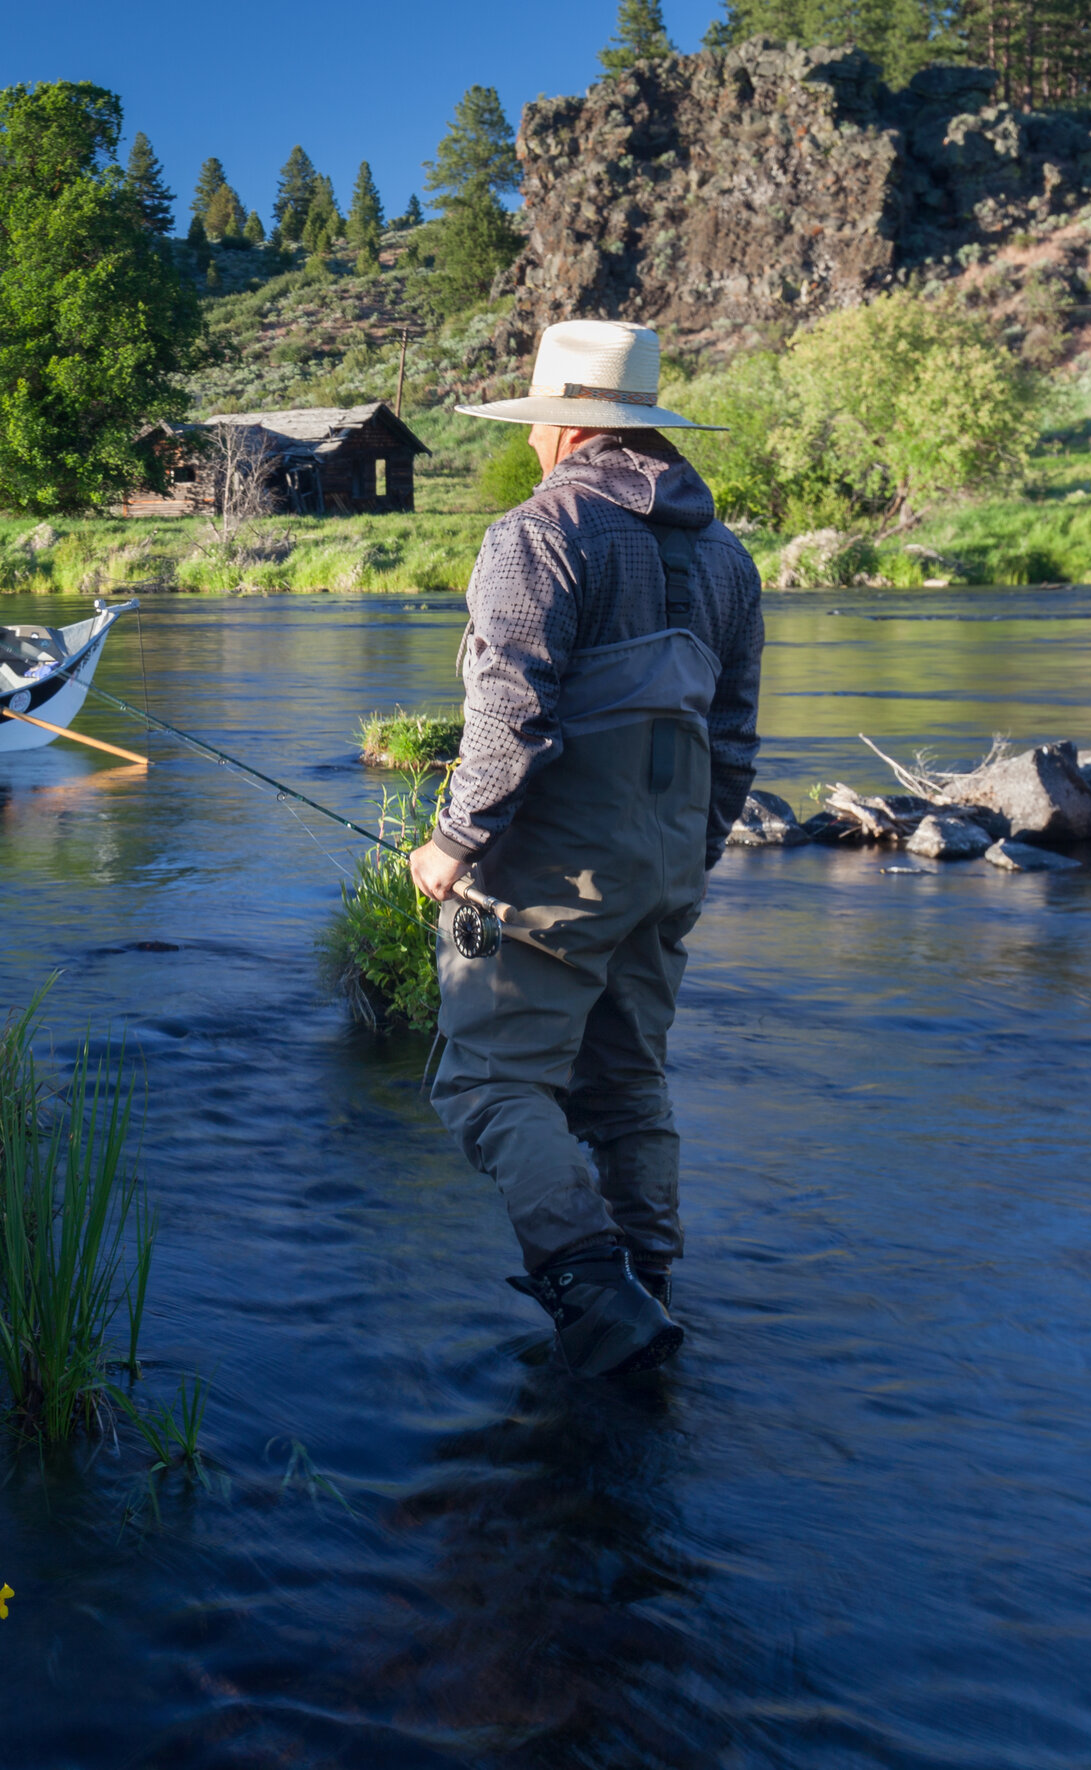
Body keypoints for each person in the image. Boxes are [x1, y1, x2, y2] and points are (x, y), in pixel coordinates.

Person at [409, 319, 763, 1378]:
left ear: (562, 425)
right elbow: (736, 739)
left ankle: (597, 1300)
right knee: (625, 1083)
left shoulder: (535, 533)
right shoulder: (726, 555)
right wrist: (688, 852)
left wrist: (452, 844)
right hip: (666, 864)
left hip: (559, 863)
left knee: (484, 1083)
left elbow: (507, 712)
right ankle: (650, 1283)